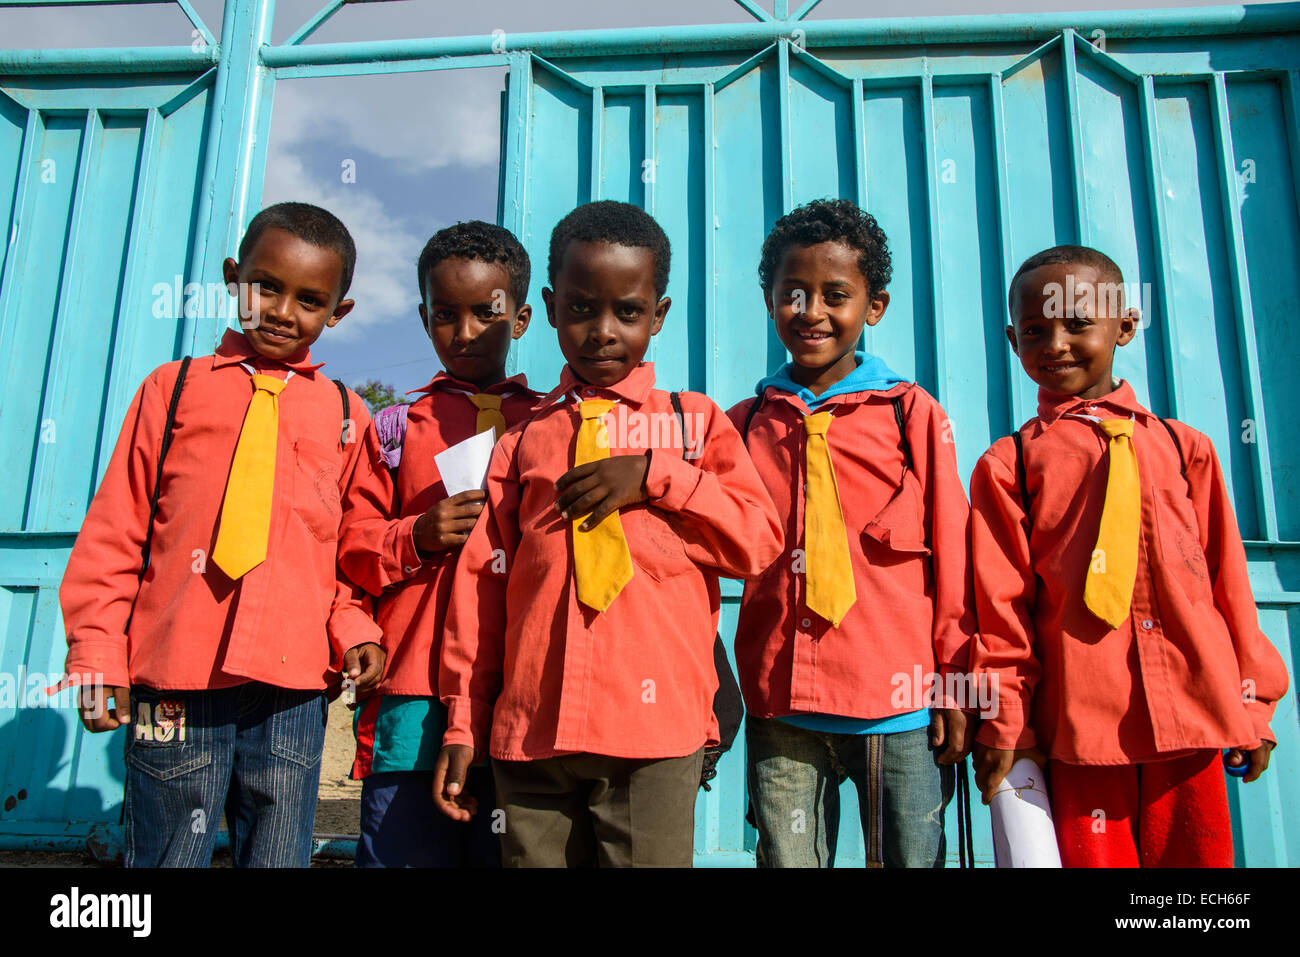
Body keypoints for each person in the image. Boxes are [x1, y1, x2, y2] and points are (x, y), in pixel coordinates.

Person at [433, 200, 783, 867]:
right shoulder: (524, 440)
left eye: (626, 311)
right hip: (532, 737)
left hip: (652, 738)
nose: (601, 331)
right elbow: (481, 588)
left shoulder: (694, 425)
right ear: (550, 304)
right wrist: (462, 719)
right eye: (579, 308)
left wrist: (659, 475)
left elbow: (758, 543)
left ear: (659, 314)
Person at [58, 202, 388, 867]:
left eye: (309, 299)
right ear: (233, 275)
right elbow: (116, 530)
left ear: (337, 313)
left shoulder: (347, 415)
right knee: (163, 850)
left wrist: (357, 629)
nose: (281, 309)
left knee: (275, 851)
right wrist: (97, 656)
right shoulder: (171, 389)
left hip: (290, 691)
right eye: (266, 285)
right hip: (172, 676)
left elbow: (353, 545)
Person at [969, 244, 1289, 867]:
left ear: (1125, 325)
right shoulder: (1009, 464)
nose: (1055, 344)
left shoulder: (1182, 447)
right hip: (1082, 732)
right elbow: (999, 607)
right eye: (1034, 330)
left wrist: (1254, 704)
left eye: (1078, 324)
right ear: (1012, 340)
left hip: (1194, 719)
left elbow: (1229, 585)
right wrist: (1009, 721)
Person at [729, 198, 977, 868]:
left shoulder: (911, 414)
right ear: (769, 299)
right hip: (782, 707)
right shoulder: (743, 423)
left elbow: (953, 557)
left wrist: (957, 685)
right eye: (793, 294)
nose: (812, 311)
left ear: (875, 305)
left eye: (835, 294)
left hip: (896, 706)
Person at [337, 220, 537, 867]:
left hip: (521, 684)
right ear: (424, 319)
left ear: (525, 317)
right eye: (447, 314)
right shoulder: (396, 429)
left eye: (489, 312)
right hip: (413, 688)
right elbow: (352, 544)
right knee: (402, 847)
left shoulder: (551, 423)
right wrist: (414, 535)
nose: (468, 330)